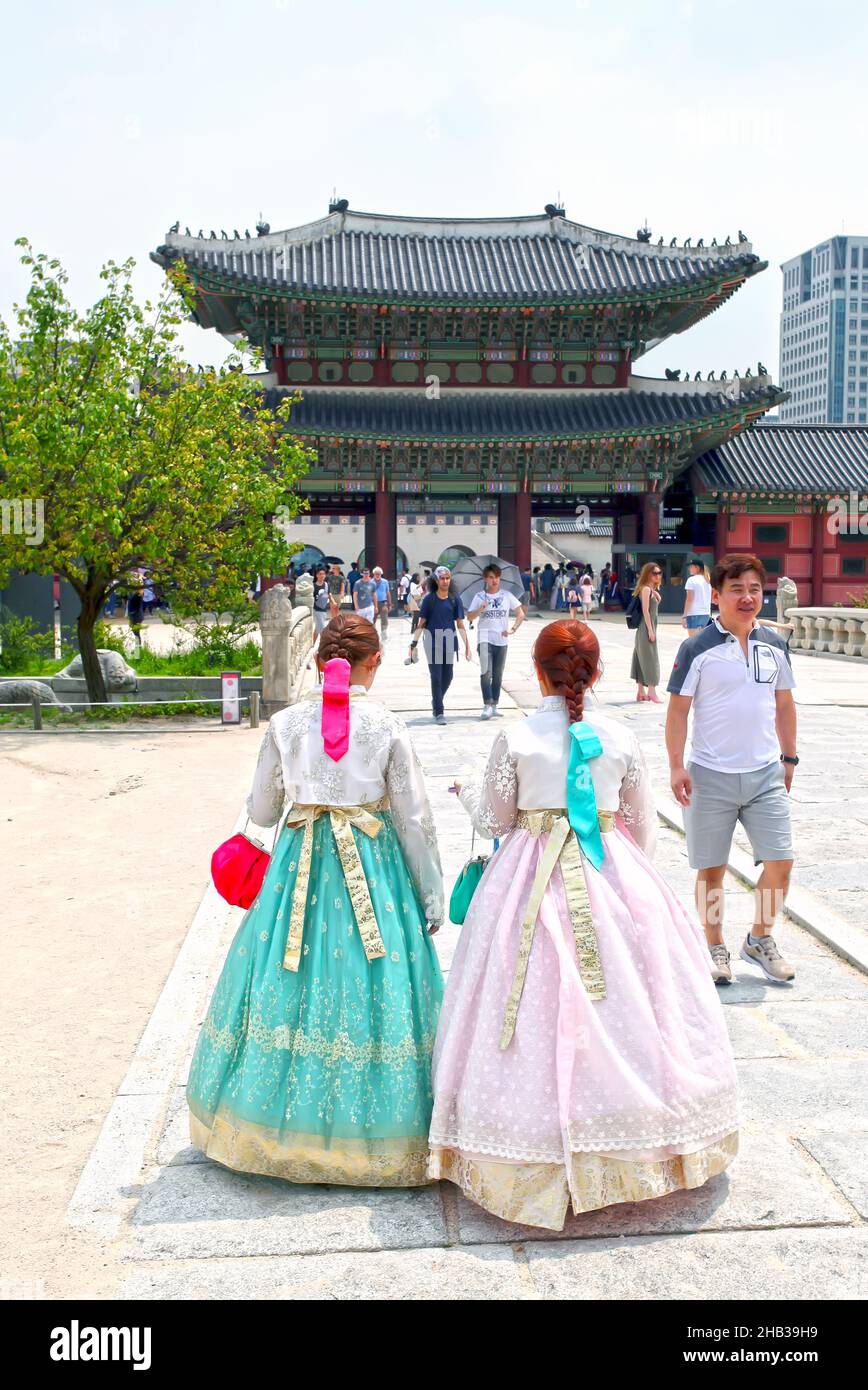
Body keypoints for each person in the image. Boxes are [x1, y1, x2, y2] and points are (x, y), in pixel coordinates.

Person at [428, 618, 739, 1231]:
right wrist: (629, 887)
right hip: (609, 867)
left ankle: (527, 1138)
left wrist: (467, 793)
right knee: (627, 1005)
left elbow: (494, 824)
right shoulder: (620, 736)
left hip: (528, 876)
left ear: (539, 672)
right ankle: (633, 1134)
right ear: (596, 673)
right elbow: (641, 827)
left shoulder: (515, 737)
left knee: (526, 1000)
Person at [187, 614, 445, 1187]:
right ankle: (379, 1133)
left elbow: (259, 810)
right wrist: (429, 893)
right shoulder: (387, 728)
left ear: (318, 658)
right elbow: (414, 819)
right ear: (372, 662)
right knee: (372, 981)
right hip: (372, 870)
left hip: (299, 867)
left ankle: (267, 1121)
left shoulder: (284, 724)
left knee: (287, 973)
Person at [666, 554, 798, 987]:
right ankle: (714, 944)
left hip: (764, 773)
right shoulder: (697, 648)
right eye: (737, 589)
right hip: (709, 774)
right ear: (717, 596)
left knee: (780, 861)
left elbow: (784, 704)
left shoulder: (775, 645)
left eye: (755, 589)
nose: (747, 597)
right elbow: (678, 711)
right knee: (712, 869)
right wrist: (675, 766)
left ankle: (759, 938)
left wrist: (789, 757)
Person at [410, 565, 471, 725]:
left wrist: (467, 645)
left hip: (450, 642)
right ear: (436, 581)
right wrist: (413, 643)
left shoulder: (454, 599)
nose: (445, 581)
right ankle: (439, 711)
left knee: (448, 676)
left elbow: (460, 623)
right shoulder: (429, 599)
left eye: (447, 578)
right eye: (442, 578)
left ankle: (436, 701)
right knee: (436, 677)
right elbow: (422, 622)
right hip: (432, 642)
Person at [465, 564, 526, 720]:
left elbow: (520, 613)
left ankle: (494, 705)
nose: (495, 580)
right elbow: (470, 617)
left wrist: (513, 629)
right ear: (485, 579)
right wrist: (480, 609)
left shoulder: (506, 595)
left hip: (502, 640)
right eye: (491, 577)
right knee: (486, 673)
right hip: (484, 638)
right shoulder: (479, 596)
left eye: (497, 577)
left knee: (498, 674)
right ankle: (487, 704)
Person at [631, 562, 663, 703]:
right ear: (647, 574)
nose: (658, 575)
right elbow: (645, 611)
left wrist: (655, 592)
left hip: (646, 629)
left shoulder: (649, 590)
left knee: (641, 657)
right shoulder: (645, 590)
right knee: (650, 658)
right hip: (645, 629)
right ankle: (651, 691)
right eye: (654, 573)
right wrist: (650, 630)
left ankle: (640, 692)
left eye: (659, 573)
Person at [683, 558, 712, 632]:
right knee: (702, 639)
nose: (689, 569)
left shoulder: (691, 580)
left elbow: (689, 599)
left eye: (691, 566)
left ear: (697, 568)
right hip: (706, 614)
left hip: (693, 613)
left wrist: (684, 615)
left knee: (693, 640)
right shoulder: (708, 580)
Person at [312, 565, 331, 643]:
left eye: (323, 574)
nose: (322, 575)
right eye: (320, 574)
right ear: (316, 575)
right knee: (322, 628)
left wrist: (333, 602)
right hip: (316, 609)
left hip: (323, 609)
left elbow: (329, 594)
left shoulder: (326, 585)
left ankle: (312, 644)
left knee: (317, 628)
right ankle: (323, 645)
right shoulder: (313, 586)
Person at [372, 566, 391, 641]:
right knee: (372, 619)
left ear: (381, 574)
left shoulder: (385, 582)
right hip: (373, 603)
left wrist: (390, 604)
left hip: (383, 603)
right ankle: (373, 633)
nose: (377, 575)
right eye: (376, 574)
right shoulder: (370, 582)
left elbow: (388, 592)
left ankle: (384, 632)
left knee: (384, 619)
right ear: (373, 574)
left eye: (379, 574)